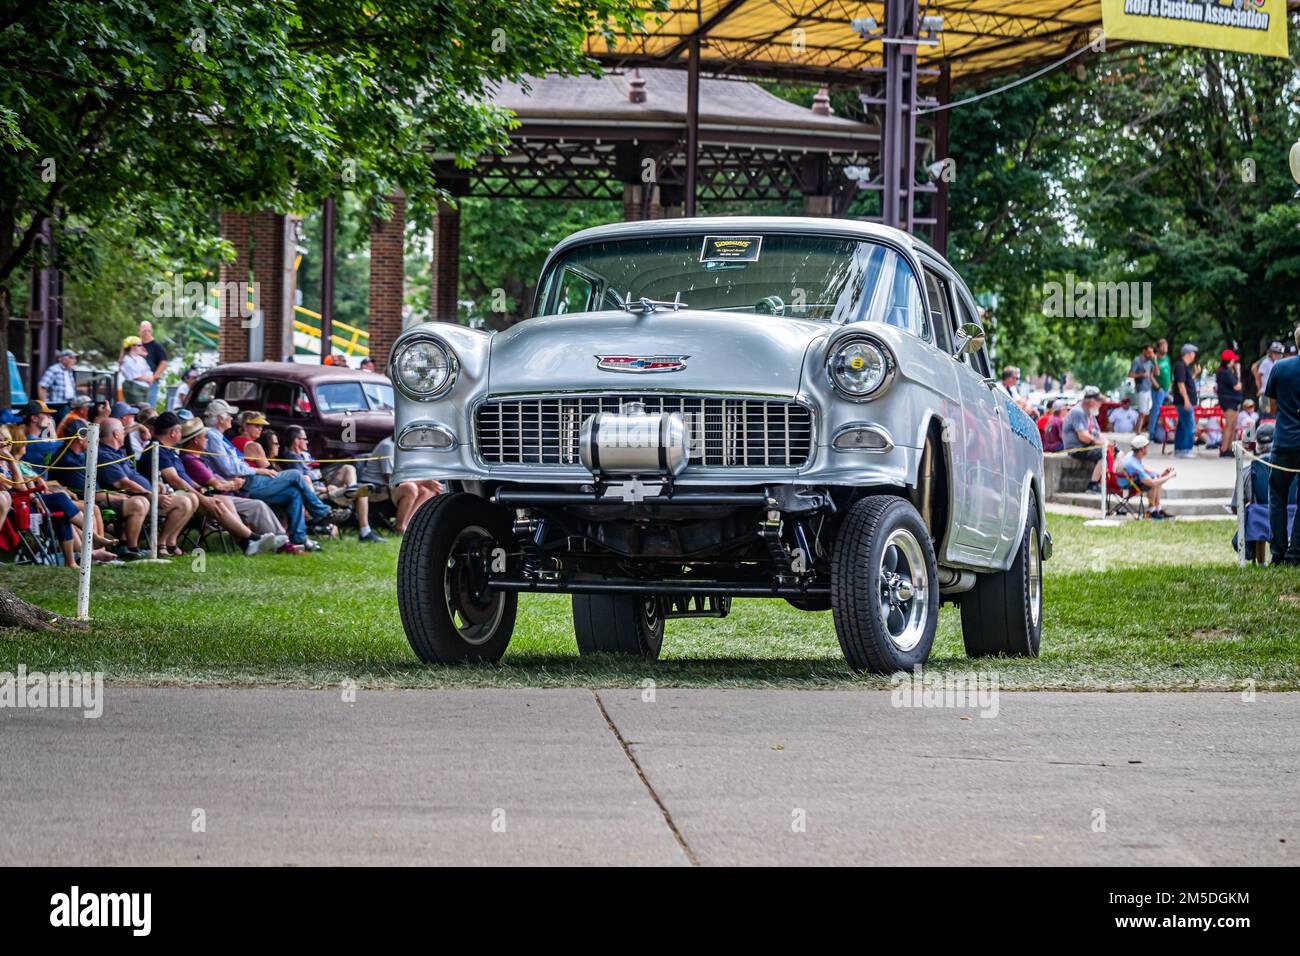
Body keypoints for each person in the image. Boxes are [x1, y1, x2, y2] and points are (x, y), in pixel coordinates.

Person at [202, 399, 344, 550]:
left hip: (246, 482)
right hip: (244, 484)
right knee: (296, 475)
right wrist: (259, 470)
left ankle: (299, 538)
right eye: (257, 425)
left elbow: (235, 464)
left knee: (293, 493)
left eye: (261, 426)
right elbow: (230, 468)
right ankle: (322, 514)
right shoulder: (218, 437)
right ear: (220, 418)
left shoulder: (227, 438)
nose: (261, 429)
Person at [142, 412, 281, 556]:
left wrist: (199, 488)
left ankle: (248, 542)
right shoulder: (159, 450)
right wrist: (204, 495)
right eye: (179, 431)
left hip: (184, 493)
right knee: (208, 502)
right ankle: (252, 538)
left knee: (222, 500)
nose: (207, 441)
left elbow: (184, 479)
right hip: (165, 496)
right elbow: (174, 479)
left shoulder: (170, 451)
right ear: (173, 433)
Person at [176, 416, 292, 548]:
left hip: (224, 495)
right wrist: (234, 484)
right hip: (213, 498)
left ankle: (281, 540)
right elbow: (216, 484)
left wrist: (231, 484)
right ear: (196, 441)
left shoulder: (198, 458)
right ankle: (253, 542)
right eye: (204, 437)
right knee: (294, 477)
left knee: (258, 505)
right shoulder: (191, 460)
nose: (207, 440)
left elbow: (215, 481)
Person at [98, 417, 198, 556]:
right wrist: (152, 495)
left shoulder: (117, 452)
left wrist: (156, 485)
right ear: (116, 434)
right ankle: (159, 544)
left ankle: (170, 542)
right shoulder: (105, 455)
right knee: (184, 502)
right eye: (122, 430)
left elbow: (134, 476)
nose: (125, 433)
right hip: (133, 497)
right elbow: (123, 483)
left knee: (191, 497)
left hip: (146, 494)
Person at [282, 425, 379, 542]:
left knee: (348, 468)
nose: (307, 442)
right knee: (362, 493)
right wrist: (325, 489)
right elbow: (303, 484)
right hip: (318, 494)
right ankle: (365, 532)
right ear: (297, 441)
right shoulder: (292, 459)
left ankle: (351, 489)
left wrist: (328, 483)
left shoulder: (304, 456)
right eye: (305, 438)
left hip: (325, 487)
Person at [1263, 327, 1300, 565]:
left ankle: (1278, 552)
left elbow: (1272, 405)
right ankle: (1296, 553)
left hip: (1285, 441)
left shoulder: (1281, 367)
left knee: (1277, 495)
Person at [358, 434, 442, 534]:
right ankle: (400, 526)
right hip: (377, 489)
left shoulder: (405, 448)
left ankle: (409, 526)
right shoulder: (388, 446)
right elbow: (391, 480)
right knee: (411, 488)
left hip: (391, 488)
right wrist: (423, 481)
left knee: (428, 490)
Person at [1062, 386, 1108, 493]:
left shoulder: (1090, 413)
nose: (1100, 404)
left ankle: (1106, 483)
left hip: (1086, 446)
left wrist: (1106, 442)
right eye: (1099, 401)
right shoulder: (1079, 412)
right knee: (1104, 453)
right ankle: (1093, 484)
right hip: (1076, 448)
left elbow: (1097, 433)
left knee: (1116, 452)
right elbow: (1083, 437)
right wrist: (1100, 444)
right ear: (1091, 401)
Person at [1118, 434, 1175, 519]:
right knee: (1153, 482)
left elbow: (1144, 470)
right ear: (1142, 449)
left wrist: (1161, 474)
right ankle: (1151, 512)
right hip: (1125, 484)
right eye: (1146, 447)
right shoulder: (1133, 464)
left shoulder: (1132, 455)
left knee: (1156, 478)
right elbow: (1151, 483)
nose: (1148, 449)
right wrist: (1170, 476)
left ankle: (1157, 509)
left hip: (1130, 479)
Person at [1171, 343, 1199, 459]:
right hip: (1183, 402)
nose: (1194, 356)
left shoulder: (1182, 367)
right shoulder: (1180, 366)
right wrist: (1186, 400)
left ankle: (1180, 449)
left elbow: (1186, 381)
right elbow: (1181, 384)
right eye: (1193, 353)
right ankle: (1186, 449)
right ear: (1189, 353)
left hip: (1183, 401)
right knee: (1189, 425)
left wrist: (1195, 374)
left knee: (1182, 425)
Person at [36, 349, 79, 420]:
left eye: (75, 358)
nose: (74, 360)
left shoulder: (70, 371)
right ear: (63, 359)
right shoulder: (54, 370)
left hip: (69, 404)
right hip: (58, 406)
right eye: (72, 358)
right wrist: (44, 407)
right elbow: (42, 386)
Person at [1215, 349, 1242, 458]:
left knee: (1233, 425)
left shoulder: (1224, 372)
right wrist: (1238, 372)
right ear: (1228, 361)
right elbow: (1237, 386)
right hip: (1229, 402)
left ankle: (1229, 448)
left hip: (1231, 401)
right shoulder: (1225, 372)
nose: (1234, 363)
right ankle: (1224, 449)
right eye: (1232, 361)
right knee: (1229, 425)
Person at [138, 320, 168, 409]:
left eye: (148, 330)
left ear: (151, 330)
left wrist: (153, 377)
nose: (146, 333)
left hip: (150, 382)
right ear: (139, 330)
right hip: (136, 381)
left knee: (149, 408)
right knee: (136, 408)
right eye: (144, 330)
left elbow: (164, 362)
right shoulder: (136, 345)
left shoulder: (156, 346)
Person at [1128, 344, 1156, 433]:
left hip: (1149, 389)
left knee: (1146, 412)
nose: (1150, 354)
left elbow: (1156, 373)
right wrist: (1141, 374)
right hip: (1141, 389)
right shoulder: (1137, 361)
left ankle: (1137, 429)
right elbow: (1130, 374)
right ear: (1144, 351)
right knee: (1142, 411)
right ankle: (1138, 431)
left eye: (1152, 352)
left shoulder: (1149, 362)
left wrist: (1155, 361)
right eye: (1149, 352)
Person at [118, 336, 152, 406]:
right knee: (137, 410)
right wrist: (147, 378)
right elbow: (134, 376)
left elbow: (148, 371)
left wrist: (150, 378)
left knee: (144, 410)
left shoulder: (141, 359)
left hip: (144, 387)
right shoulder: (127, 360)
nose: (142, 347)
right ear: (132, 346)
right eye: (139, 345)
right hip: (133, 388)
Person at [1149, 338, 1172, 440]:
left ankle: (1164, 431)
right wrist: (1158, 387)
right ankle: (1152, 434)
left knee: (1167, 411)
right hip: (1158, 390)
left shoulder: (1167, 358)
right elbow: (1154, 375)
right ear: (1157, 348)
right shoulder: (1154, 359)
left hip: (1167, 389)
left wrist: (1170, 385)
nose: (1165, 347)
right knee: (1156, 411)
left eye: (1166, 345)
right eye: (1162, 346)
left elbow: (1168, 373)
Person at [1254, 341, 1284, 416]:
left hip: (1274, 392)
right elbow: (1259, 375)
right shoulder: (1266, 362)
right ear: (1270, 353)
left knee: (1273, 413)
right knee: (1266, 412)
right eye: (1274, 352)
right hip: (1265, 392)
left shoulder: (1276, 362)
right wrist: (1259, 388)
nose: (1276, 355)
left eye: (1278, 353)